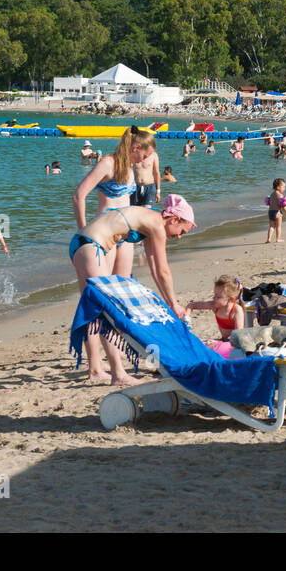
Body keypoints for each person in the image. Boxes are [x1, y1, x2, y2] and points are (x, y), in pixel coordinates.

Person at [68, 194, 197, 383]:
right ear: (174, 218)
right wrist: (175, 304)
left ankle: (95, 369)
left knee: (94, 311)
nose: (178, 237)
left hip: (81, 244)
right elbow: (163, 271)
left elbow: (154, 268)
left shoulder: (150, 218)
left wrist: (170, 302)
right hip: (92, 247)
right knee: (108, 310)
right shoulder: (157, 226)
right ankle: (118, 374)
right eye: (181, 231)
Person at [73, 128, 156, 277]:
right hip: (105, 233)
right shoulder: (107, 163)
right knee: (105, 286)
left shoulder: (130, 168)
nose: (144, 160)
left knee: (123, 283)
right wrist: (83, 232)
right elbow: (78, 195)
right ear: (136, 148)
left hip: (125, 234)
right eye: (144, 155)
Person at [188, 275, 246, 340]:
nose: (214, 298)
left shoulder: (237, 311)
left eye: (218, 297)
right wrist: (186, 318)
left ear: (230, 299)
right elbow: (192, 305)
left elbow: (238, 333)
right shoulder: (215, 305)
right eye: (214, 295)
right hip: (224, 339)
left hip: (236, 342)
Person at [131, 141, 161, 208]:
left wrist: (158, 191)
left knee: (147, 209)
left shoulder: (154, 155)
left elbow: (156, 173)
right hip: (135, 186)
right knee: (134, 211)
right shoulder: (134, 154)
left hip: (149, 187)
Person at [266, 178, 286, 242]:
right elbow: (283, 206)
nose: (284, 188)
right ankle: (278, 239)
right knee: (278, 226)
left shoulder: (272, 194)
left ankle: (268, 239)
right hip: (277, 212)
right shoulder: (280, 195)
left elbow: (270, 203)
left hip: (270, 212)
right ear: (278, 187)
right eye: (283, 187)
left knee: (271, 226)